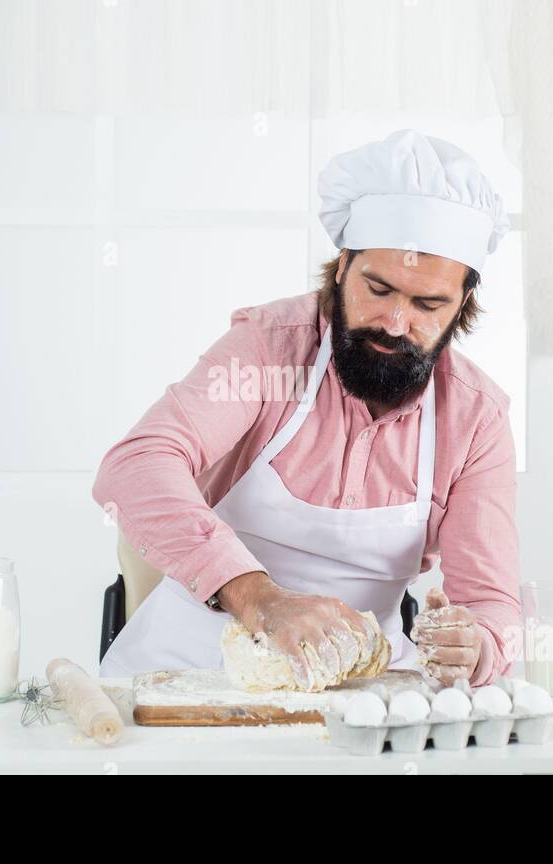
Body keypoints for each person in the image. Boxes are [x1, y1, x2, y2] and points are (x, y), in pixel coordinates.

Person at [95, 129, 520, 689]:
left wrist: (477, 645)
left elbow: (492, 606)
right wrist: (259, 597)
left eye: (427, 304)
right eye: (379, 288)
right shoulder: (267, 349)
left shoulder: (476, 419)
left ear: (463, 302)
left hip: (360, 698)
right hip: (186, 676)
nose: (395, 323)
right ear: (342, 266)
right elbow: (135, 465)